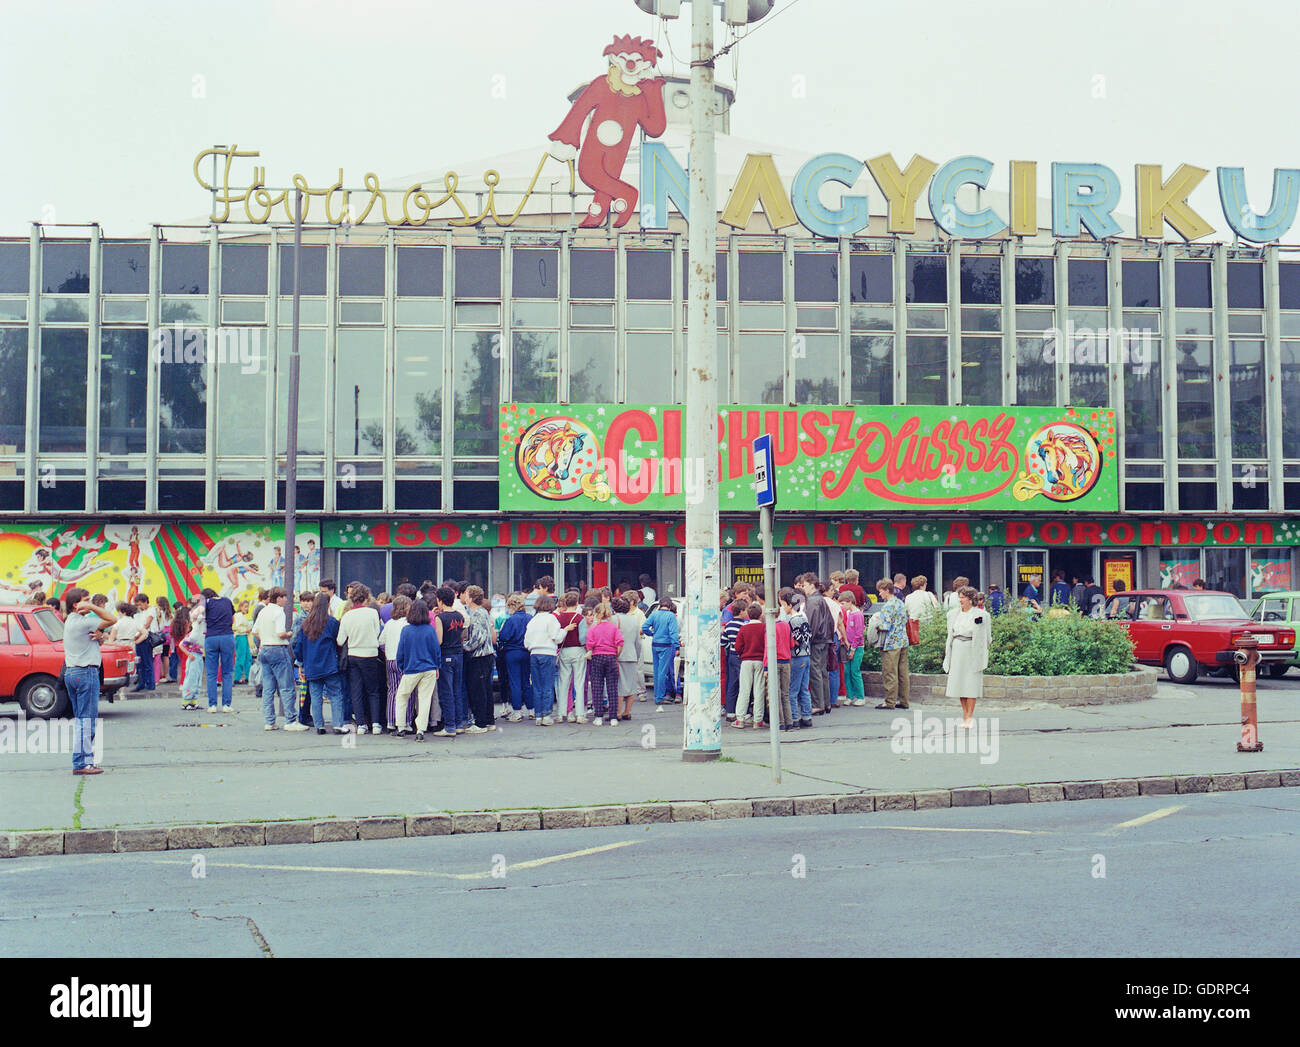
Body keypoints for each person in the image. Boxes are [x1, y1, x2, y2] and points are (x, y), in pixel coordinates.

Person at [61, 588, 115, 775]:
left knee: (81, 719)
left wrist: (99, 637)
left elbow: (96, 637)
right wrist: (92, 606)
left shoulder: (72, 621)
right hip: (85, 673)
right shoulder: (82, 621)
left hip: (73, 672)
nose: (89, 602)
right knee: (87, 720)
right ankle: (83, 762)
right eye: (85, 600)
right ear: (76, 604)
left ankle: (81, 760)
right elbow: (112, 619)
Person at [294, 593, 346, 735]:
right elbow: (339, 641)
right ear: (327, 605)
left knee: (316, 696)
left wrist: (300, 664)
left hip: (311, 666)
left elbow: (298, 647)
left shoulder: (305, 624)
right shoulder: (332, 623)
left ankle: (319, 726)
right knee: (335, 695)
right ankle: (338, 725)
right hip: (329, 665)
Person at [255, 587, 304, 731]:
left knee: (268, 688)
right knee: (287, 686)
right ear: (278, 598)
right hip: (277, 649)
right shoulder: (278, 612)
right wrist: (289, 634)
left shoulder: (263, 610)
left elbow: (254, 631)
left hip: (264, 649)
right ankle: (290, 721)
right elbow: (280, 633)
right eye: (285, 597)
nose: (286, 600)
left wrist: (265, 639)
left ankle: (269, 721)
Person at [338, 583, 384, 734]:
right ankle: (376, 723)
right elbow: (377, 632)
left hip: (353, 654)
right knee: (373, 690)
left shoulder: (347, 615)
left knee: (356, 690)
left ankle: (361, 724)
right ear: (366, 598)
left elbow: (340, 640)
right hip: (370, 654)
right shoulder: (372, 613)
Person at [944, 585, 991, 730]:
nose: (960, 600)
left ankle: (970, 716)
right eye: (960, 598)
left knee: (970, 683)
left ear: (971, 599)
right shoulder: (953, 614)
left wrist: (982, 651)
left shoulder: (982, 615)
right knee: (959, 684)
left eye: (963, 598)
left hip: (972, 649)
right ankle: (965, 715)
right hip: (957, 649)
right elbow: (950, 633)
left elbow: (987, 637)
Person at [395, 599, 442, 741]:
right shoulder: (429, 629)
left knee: (402, 696)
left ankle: (401, 727)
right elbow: (436, 650)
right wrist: (437, 666)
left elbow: (401, 652)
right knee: (424, 699)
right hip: (428, 668)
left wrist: (402, 665)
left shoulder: (406, 630)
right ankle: (421, 730)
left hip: (411, 668)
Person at [524, 594, 568, 726]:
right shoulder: (551, 619)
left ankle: (538, 715)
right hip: (548, 653)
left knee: (537, 686)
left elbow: (526, 641)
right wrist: (564, 630)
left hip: (534, 653)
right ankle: (547, 715)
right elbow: (557, 637)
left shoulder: (533, 620)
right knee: (547, 685)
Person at [432, 585, 467, 735]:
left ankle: (449, 726)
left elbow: (439, 640)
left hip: (445, 654)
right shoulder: (460, 616)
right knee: (457, 690)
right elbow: (463, 635)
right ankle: (459, 724)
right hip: (458, 654)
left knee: (446, 691)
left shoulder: (440, 618)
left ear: (440, 601)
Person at [798, 574, 835, 716]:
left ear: (811, 585)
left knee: (815, 672)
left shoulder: (813, 601)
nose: (803, 588)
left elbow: (811, 623)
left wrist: (807, 639)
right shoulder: (821, 599)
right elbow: (830, 621)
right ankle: (826, 703)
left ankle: (818, 704)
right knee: (822, 671)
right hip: (825, 639)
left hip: (816, 640)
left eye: (805, 585)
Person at [462, 585, 497, 733]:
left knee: (478, 690)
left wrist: (465, 646)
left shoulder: (477, 614)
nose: (464, 598)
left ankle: (480, 723)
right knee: (486, 690)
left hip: (480, 657)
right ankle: (488, 720)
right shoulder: (482, 612)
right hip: (487, 656)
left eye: (466, 595)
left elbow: (479, 637)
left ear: (471, 598)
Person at [873, 577, 911, 711]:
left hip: (891, 643)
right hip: (903, 641)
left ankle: (889, 702)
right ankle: (904, 700)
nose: (879, 594)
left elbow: (884, 626)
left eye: (881, 591)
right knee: (903, 673)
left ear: (887, 590)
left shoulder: (888, 606)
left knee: (890, 672)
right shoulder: (900, 603)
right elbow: (906, 619)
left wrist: (876, 624)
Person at [585, 602, 623, 726]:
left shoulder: (593, 628)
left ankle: (598, 716)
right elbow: (620, 643)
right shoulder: (613, 628)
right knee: (612, 687)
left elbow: (589, 644)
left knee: (597, 687)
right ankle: (613, 717)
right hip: (611, 656)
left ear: (596, 614)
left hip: (597, 656)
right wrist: (615, 655)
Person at [554, 590, 589, 723]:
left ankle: (562, 713)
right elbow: (583, 638)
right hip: (578, 650)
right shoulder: (580, 618)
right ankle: (580, 714)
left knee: (564, 682)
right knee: (579, 682)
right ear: (577, 603)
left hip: (563, 651)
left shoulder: (559, 618)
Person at [498, 593, 533, 721]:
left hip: (512, 652)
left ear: (511, 606)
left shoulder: (511, 620)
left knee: (515, 682)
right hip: (527, 652)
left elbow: (503, 637)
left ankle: (517, 712)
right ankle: (531, 710)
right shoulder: (530, 617)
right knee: (526, 681)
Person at [730, 603, 766, 728]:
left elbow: (737, 647)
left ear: (748, 615)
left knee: (744, 690)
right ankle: (758, 720)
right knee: (759, 690)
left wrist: (742, 654)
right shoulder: (764, 628)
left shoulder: (744, 629)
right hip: (760, 661)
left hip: (746, 661)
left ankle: (740, 719)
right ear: (761, 615)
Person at [201, 587, 237, 712]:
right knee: (227, 673)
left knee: (211, 673)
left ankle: (212, 705)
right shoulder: (227, 601)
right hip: (227, 636)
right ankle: (226, 705)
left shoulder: (207, 603)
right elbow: (233, 620)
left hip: (211, 638)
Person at [379, 594, 411, 731]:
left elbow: (381, 642)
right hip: (404, 661)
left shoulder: (389, 624)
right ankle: (406, 721)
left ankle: (391, 721)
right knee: (407, 692)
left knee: (392, 690)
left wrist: (387, 651)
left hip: (390, 659)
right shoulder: (408, 624)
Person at [642, 597, 680, 710]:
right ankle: (660, 697)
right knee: (663, 672)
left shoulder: (654, 615)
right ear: (669, 606)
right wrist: (677, 646)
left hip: (655, 644)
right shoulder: (671, 616)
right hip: (666, 645)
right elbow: (673, 633)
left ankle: (657, 695)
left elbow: (644, 627)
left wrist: (651, 634)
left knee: (657, 671)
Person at [782, 589, 812, 729]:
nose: (783, 608)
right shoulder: (804, 617)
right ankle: (807, 716)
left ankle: (794, 718)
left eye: (783, 605)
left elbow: (796, 640)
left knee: (792, 690)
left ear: (789, 605)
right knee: (804, 688)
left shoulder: (792, 621)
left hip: (797, 657)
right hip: (807, 655)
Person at [612, 595, 640, 722]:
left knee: (619, 685)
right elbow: (637, 642)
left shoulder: (613, 620)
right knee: (631, 685)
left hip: (618, 654)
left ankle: (617, 712)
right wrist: (637, 655)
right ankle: (627, 711)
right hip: (631, 654)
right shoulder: (634, 621)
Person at [720, 597, 747, 718]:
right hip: (741, 656)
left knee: (731, 683)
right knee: (743, 684)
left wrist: (730, 646)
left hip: (731, 655)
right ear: (741, 611)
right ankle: (743, 711)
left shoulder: (729, 625)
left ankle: (730, 711)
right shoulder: (744, 626)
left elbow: (723, 642)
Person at [839, 590, 866, 707]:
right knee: (847, 672)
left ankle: (860, 697)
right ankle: (849, 696)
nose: (842, 606)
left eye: (843, 603)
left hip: (857, 648)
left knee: (855, 672)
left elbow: (859, 634)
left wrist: (853, 649)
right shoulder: (850, 613)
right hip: (848, 646)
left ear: (850, 602)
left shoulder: (858, 615)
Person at [178, 599, 206, 711]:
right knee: (191, 678)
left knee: (198, 678)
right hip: (194, 657)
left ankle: (194, 701)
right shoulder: (192, 634)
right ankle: (186, 701)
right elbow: (181, 645)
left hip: (199, 657)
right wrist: (189, 654)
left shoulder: (199, 632)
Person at [154, 595, 175, 683]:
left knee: (158, 656)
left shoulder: (159, 613)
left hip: (160, 636)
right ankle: (166, 675)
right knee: (166, 656)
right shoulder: (170, 614)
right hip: (168, 636)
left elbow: (160, 626)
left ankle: (158, 675)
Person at [232, 600, 253, 684]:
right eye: (245, 606)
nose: (246, 608)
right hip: (240, 637)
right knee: (241, 657)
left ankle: (247, 677)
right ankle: (237, 678)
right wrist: (246, 629)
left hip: (244, 637)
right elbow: (235, 628)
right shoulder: (238, 615)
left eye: (247, 606)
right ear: (240, 607)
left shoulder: (242, 616)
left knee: (248, 657)